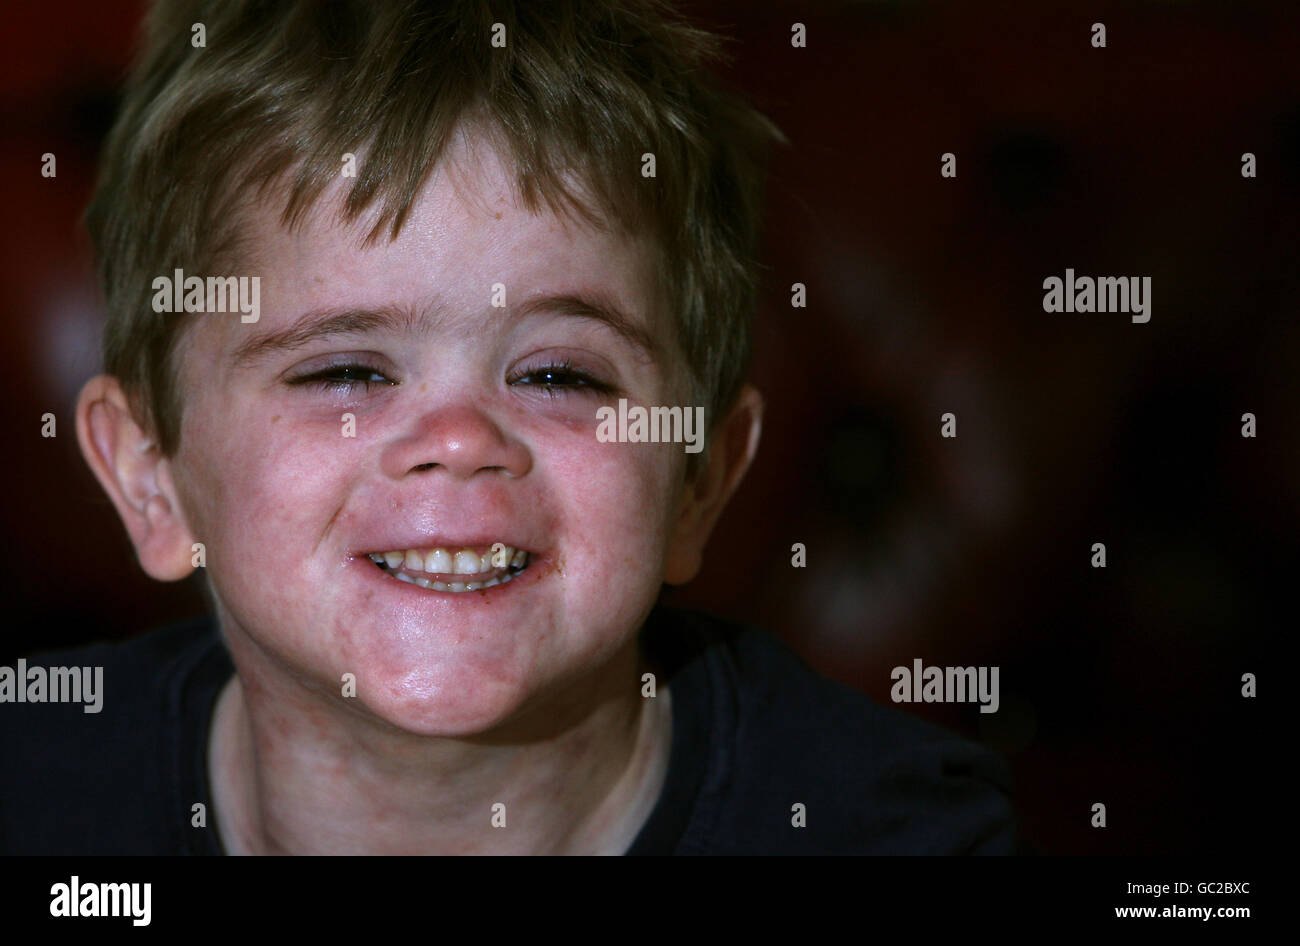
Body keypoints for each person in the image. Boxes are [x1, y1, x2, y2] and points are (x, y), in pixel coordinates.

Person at [0, 0, 1016, 854]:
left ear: (700, 477)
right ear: (149, 476)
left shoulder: (893, 835)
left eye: (560, 374)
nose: (457, 436)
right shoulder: (37, 786)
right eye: (347, 368)